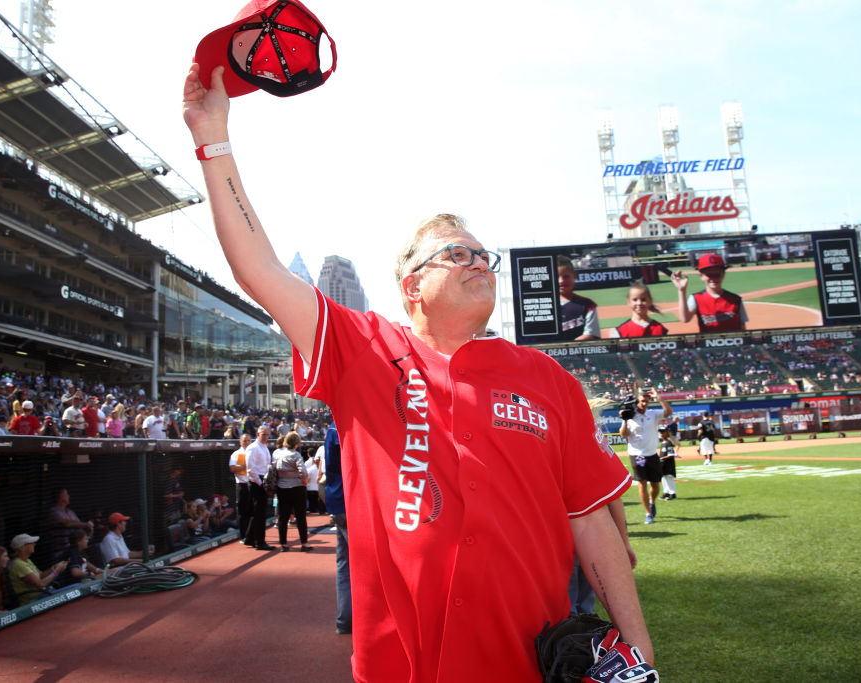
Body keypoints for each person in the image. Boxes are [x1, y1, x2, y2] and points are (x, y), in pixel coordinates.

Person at [183, 62, 651, 680]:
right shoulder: (361, 348)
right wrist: (212, 133)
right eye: (457, 254)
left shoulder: (549, 379)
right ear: (413, 286)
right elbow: (260, 270)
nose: (478, 262)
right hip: (401, 668)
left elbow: (592, 525)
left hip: (529, 664)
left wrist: (641, 659)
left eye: (483, 255)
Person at [620, 388, 673, 524]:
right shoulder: (630, 415)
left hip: (651, 454)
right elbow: (623, 434)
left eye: (646, 401)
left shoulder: (652, 414)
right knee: (642, 483)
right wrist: (625, 420)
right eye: (642, 401)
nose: (644, 404)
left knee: (655, 485)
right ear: (637, 401)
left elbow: (668, 412)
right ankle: (648, 513)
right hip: (638, 455)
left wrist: (659, 398)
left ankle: (652, 501)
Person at [671, 253, 748, 333]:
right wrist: (681, 290)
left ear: (723, 274)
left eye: (717, 275)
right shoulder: (696, 298)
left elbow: (742, 326)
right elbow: (685, 319)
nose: (713, 278)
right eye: (709, 275)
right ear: (701, 276)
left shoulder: (735, 299)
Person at [323, 421, 351, 634]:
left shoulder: (333, 427)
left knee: (344, 564)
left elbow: (331, 467)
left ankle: (345, 620)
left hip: (337, 500)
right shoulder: (353, 424)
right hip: (354, 502)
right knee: (367, 564)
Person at [273, 431, 311, 552]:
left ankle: (283, 544)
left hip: (282, 488)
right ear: (296, 443)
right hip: (297, 488)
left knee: (283, 517)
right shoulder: (296, 455)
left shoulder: (278, 454)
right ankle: (304, 543)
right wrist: (304, 481)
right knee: (300, 516)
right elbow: (303, 472)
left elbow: (276, 470)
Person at [8, 533, 67, 604]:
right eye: (31, 543)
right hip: (35, 600)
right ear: (21, 547)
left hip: (44, 593)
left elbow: (41, 575)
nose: (34, 544)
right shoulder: (18, 564)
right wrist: (56, 572)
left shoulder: (27, 560)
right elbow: (41, 584)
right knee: (76, 587)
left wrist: (54, 568)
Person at [243, 426, 276, 550]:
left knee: (259, 512)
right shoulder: (252, 448)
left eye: (268, 434)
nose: (266, 437)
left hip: (264, 480)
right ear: (257, 434)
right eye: (263, 434)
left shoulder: (265, 447)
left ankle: (250, 538)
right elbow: (250, 469)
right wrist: (260, 483)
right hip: (257, 483)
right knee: (259, 513)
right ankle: (259, 542)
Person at [556, 255, 601, 341]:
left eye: (566, 276)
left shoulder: (587, 305)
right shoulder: (542, 305)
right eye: (557, 276)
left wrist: (565, 348)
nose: (561, 281)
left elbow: (591, 335)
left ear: (575, 276)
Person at [44, 488, 93, 558]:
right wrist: (85, 524)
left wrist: (89, 527)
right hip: (60, 551)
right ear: (60, 496)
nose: (69, 496)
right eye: (66, 494)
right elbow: (67, 523)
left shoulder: (70, 511)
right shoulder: (53, 511)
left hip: (74, 549)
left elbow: (79, 524)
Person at [229, 433, 253, 540]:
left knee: (252, 511)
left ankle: (251, 534)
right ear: (240, 442)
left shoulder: (253, 452)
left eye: (248, 441)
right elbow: (233, 468)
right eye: (245, 441)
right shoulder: (236, 454)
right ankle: (243, 535)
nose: (247, 443)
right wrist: (246, 466)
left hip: (253, 485)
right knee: (243, 512)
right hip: (242, 485)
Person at [658, 427, 680, 500]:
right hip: (663, 465)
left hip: (668, 464)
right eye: (660, 432)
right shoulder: (663, 443)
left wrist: (661, 458)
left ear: (667, 433)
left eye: (663, 432)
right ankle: (666, 492)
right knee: (664, 478)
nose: (661, 434)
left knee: (669, 478)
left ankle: (672, 493)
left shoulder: (669, 443)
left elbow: (671, 454)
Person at [305, 448, 323, 514]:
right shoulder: (320, 469)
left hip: (310, 488)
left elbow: (307, 478)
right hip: (318, 487)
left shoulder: (309, 468)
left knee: (311, 502)